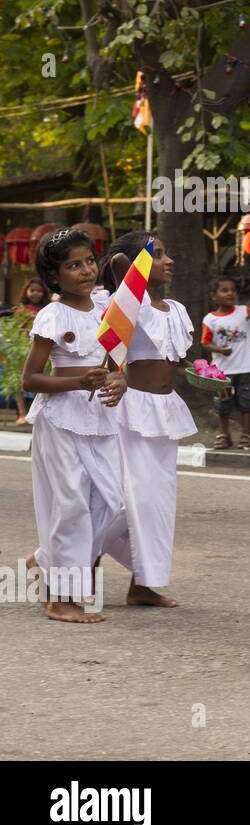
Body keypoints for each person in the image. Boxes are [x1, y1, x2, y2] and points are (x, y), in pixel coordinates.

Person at [21, 229, 126, 622]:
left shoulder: (106, 308)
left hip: (99, 417)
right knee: (70, 507)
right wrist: (76, 383)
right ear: (54, 277)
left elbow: (117, 362)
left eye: (87, 261)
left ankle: (44, 559)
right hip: (61, 420)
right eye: (72, 265)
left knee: (113, 502)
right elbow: (30, 379)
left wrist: (121, 379)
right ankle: (59, 598)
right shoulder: (53, 314)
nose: (85, 271)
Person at [97, 231, 195, 608]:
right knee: (125, 499)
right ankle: (56, 559)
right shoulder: (125, 304)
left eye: (168, 254)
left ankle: (143, 583)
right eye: (158, 255)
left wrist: (206, 375)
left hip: (164, 411)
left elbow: (174, 359)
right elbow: (109, 355)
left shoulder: (176, 309)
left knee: (157, 500)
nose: (168, 261)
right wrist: (132, 264)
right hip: (131, 410)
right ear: (134, 264)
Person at [201, 276, 250, 450]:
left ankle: (247, 434)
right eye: (224, 290)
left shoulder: (244, 312)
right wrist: (219, 350)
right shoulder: (210, 319)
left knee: (246, 402)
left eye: (233, 290)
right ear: (213, 295)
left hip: (244, 368)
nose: (230, 293)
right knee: (222, 403)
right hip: (221, 371)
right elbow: (205, 343)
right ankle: (224, 434)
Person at [8, 277, 52, 423]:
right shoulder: (20, 310)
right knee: (18, 382)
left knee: (40, 381)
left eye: (39, 291)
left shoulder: (48, 310)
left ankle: (37, 413)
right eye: (32, 290)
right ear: (26, 292)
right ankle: (21, 413)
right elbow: (15, 329)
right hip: (21, 348)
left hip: (41, 351)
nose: (36, 294)